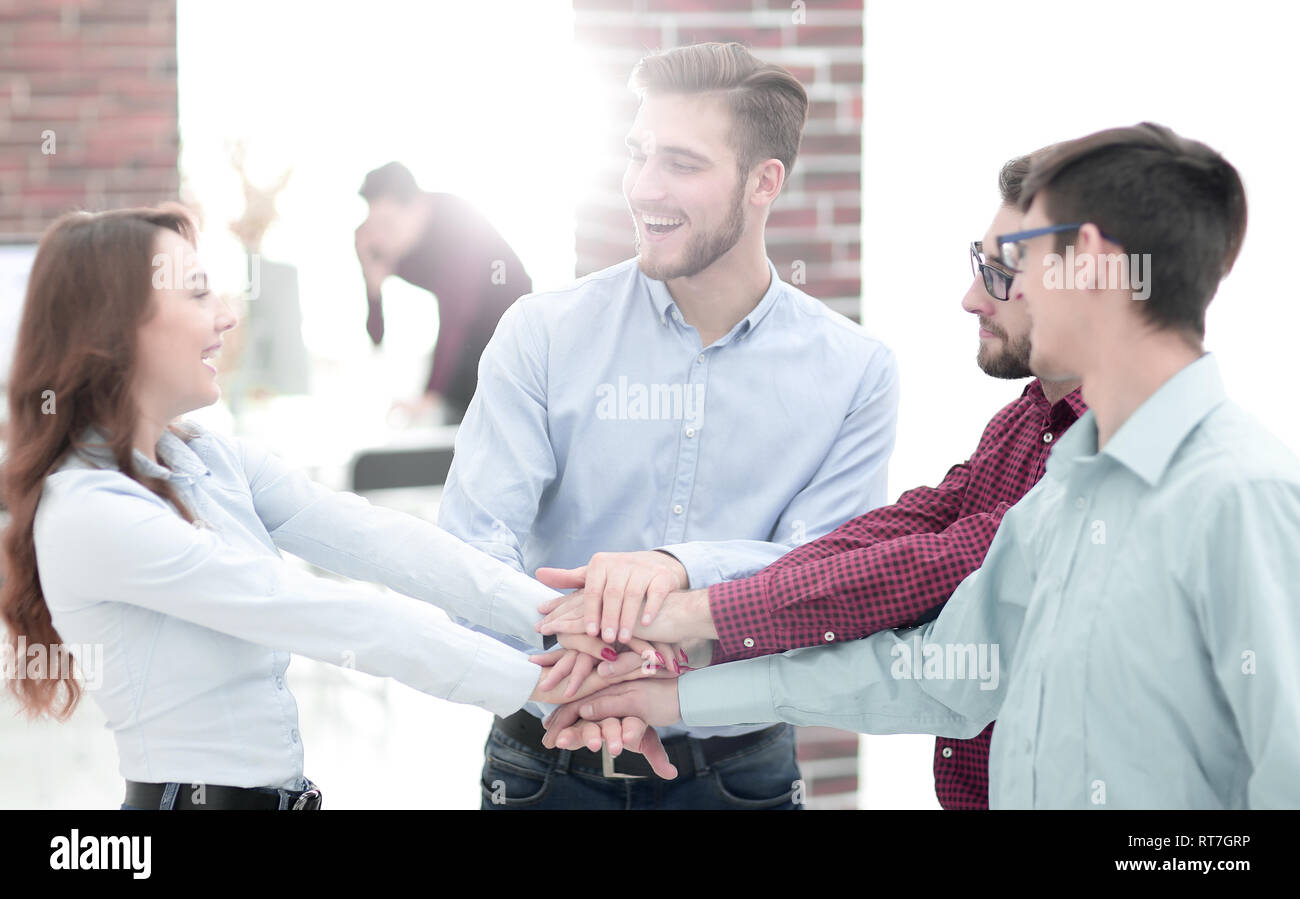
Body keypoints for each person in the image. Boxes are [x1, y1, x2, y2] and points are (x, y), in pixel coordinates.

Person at [546, 122, 1300, 809]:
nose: (993, 294)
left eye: (1018, 261)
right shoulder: (1066, 492)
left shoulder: (1243, 496)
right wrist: (668, 696)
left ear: (1094, 265)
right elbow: (939, 677)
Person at [0, 205, 657, 810]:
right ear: (117, 327)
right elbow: (319, 611)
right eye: (198, 293)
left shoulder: (209, 458)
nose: (227, 315)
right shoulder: (90, 508)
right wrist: (551, 684)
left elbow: (378, 538)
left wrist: (557, 622)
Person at [538, 151, 1087, 808]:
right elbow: (904, 527)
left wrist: (689, 618)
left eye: (999, 274)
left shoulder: (1105, 463)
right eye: (980, 265)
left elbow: (935, 578)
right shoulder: (1024, 421)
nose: (971, 297)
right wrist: (681, 636)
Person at [437, 42, 900, 810]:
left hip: (737, 775)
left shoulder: (855, 371)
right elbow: (470, 554)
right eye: (638, 153)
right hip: (542, 765)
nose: (644, 186)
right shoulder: (542, 333)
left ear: (764, 182)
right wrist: (574, 674)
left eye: (681, 163)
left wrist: (679, 566)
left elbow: (823, 582)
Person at [354, 162, 531, 424]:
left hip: (505, 319)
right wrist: (373, 287)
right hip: (463, 329)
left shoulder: (455, 223)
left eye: (388, 224)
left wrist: (430, 396)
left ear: (419, 207)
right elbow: (376, 337)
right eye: (374, 224)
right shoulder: (382, 243)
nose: (380, 236)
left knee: (458, 411)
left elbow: (456, 315)